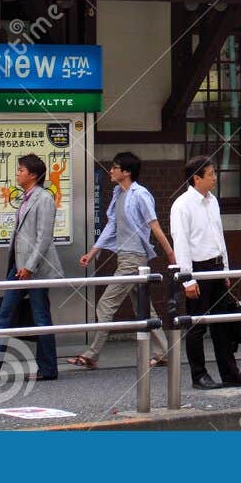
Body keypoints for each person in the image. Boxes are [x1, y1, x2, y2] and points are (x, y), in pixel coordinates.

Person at [70, 152, 176, 370]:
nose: (111, 171)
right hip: (126, 257)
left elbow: (154, 225)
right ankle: (163, 352)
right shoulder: (119, 193)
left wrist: (171, 254)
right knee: (144, 308)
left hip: (133, 259)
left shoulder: (140, 194)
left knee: (106, 304)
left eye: (114, 167)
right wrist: (93, 252)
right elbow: (112, 226)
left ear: (126, 172)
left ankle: (92, 354)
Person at [170, 155, 241, 389]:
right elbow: (181, 243)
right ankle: (199, 375)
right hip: (197, 269)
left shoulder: (213, 202)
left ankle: (229, 372)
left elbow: (219, 236)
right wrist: (187, 279)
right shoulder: (182, 205)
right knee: (197, 325)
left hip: (216, 266)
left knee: (223, 323)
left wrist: (225, 269)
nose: (215, 178)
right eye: (211, 174)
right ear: (196, 178)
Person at [0, 154, 63, 382]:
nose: (18, 173)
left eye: (21, 170)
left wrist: (30, 266)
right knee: (5, 313)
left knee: (41, 316)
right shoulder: (26, 197)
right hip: (17, 265)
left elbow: (44, 238)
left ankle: (48, 368)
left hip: (34, 268)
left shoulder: (43, 199)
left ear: (33, 175)